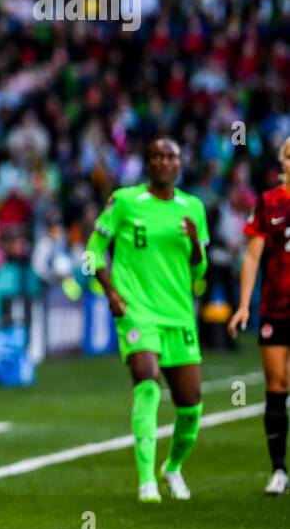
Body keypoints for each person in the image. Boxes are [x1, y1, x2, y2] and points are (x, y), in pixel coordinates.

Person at [86, 137, 208, 503]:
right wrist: (111, 291)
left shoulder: (194, 208)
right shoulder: (124, 201)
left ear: (180, 163)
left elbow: (199, 273)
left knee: (191, 404)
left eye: (171, 156)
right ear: (148, 162)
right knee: (147, 380)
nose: (164, 162)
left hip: (178, 314)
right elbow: (89, 254)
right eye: (157, 156)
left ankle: (171, 467)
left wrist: (197, 245)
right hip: (136, 309)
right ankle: (145, 482)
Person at [227, 137, 290, 494]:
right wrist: (243, 305)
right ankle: (279, 470)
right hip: (276, 307)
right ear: (284, 161)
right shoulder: (269, 202)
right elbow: (252, 257)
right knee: (277, 385)